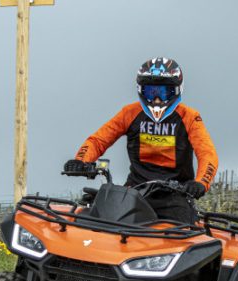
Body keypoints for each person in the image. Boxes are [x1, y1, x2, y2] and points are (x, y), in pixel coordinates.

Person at [64, 57, 218, 224]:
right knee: (97, 221)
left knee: (186, 236)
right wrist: (81, 160)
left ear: (177, 90)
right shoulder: (130, 113)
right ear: (141, 90)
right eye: (151, 92)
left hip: (174, 196)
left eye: (164, 92)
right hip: (135, 192)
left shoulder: (189, 117)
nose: (157, 99)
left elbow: (208, 154)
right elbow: (99, 140)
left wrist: (201, 183)